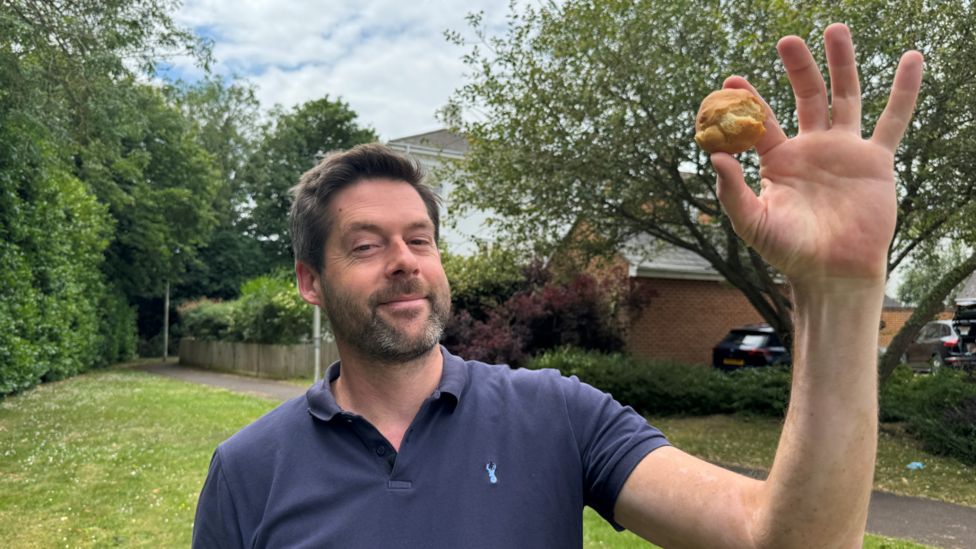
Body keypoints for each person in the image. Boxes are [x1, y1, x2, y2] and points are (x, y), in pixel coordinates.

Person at [192, 23, 923, 548]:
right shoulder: (249, 469)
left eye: (420, 239)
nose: (405, 260)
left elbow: (785, 540)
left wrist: (839, 294)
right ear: (309, 281)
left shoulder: (559, 417)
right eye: (365, 245)